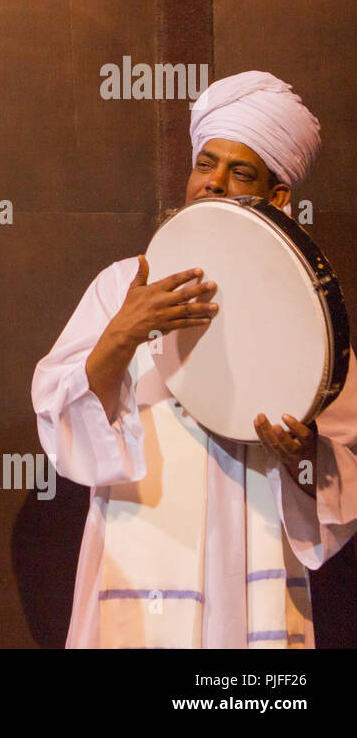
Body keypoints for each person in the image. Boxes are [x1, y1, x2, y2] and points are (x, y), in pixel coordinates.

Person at [32, 71, 357, 648]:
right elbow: (61, 414)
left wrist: (304, 454)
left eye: (240, 172)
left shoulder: (308, 315)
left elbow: (340, 468)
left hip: (250, 574)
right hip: (138, 570)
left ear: (278, 195)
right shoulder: (124, 284)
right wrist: (124, 333)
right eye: (205, 164)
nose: (213, 183)